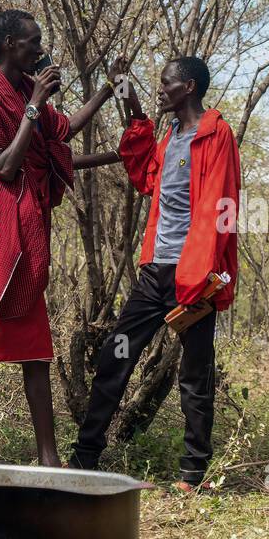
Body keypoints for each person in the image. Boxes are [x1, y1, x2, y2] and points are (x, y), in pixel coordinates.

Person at [0, 9, 121, 465]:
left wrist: (107, 88)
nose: (40, 49)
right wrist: (34, 105)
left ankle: (48, 456)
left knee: (36, 348)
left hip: (26, 230)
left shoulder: (22, 90)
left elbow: (64, 132)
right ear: (8, 46)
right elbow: (4, 167)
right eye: (32, 41)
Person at [68, 57, 240, 491]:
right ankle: (84, 456)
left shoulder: (215, 134)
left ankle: (192, 472)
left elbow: (221, 207)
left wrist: (200, 276)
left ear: (189, 86)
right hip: (155, 273)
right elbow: (141, 162)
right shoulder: (170, 138)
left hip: (195, 275)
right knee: (116, 354)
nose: (160, 90)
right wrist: (124, 87)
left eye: (166, 84)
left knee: (195, 373)